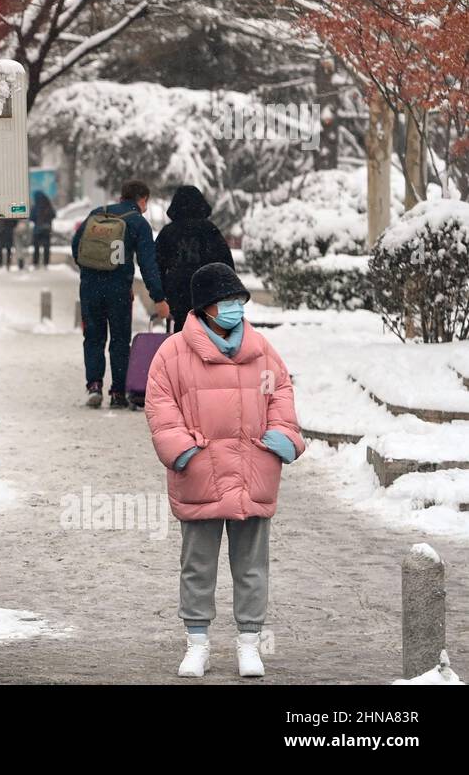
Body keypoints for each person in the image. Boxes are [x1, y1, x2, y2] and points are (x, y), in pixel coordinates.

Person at [145, 262, 304, 679]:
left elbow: (281, 396)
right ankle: (197, 643)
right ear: (205, 308)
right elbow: (161, 410)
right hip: (200, 474)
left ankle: (249, 644)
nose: (235, 308)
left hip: (254, 471)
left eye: (239, 301)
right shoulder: (172, 354)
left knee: (252, 565)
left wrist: (281, 438)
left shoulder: (263, 350)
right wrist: (184, 453)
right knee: (197, 565)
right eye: (227, 302)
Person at [71, 179, 170, 409]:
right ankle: (117, 392)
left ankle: (94, 384)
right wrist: (158, 296)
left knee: (93, 337)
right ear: (142, 199)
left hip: (89, 288)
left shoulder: (98, 214)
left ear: (121, 197)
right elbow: (148, 264)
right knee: (119, 340)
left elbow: (77, 247)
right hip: (118, 290)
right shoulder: (138, 223)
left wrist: (91, 272)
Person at [154, 185, 234, 332]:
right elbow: (225, 264)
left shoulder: (168, 232)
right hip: (206, 294)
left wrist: (161, 293)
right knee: (206, 334)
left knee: (181, 333)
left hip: (177, 294)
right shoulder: (210, 231)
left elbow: (157, 266)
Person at [31, 190, 55, 268]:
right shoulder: (48, 206)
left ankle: (36, 263)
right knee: (46, 247)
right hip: (47, 230)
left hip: (37, 230)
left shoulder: (35, 207)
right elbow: (53, 215)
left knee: (36, 248)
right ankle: (46, 263)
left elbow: (31, 217)